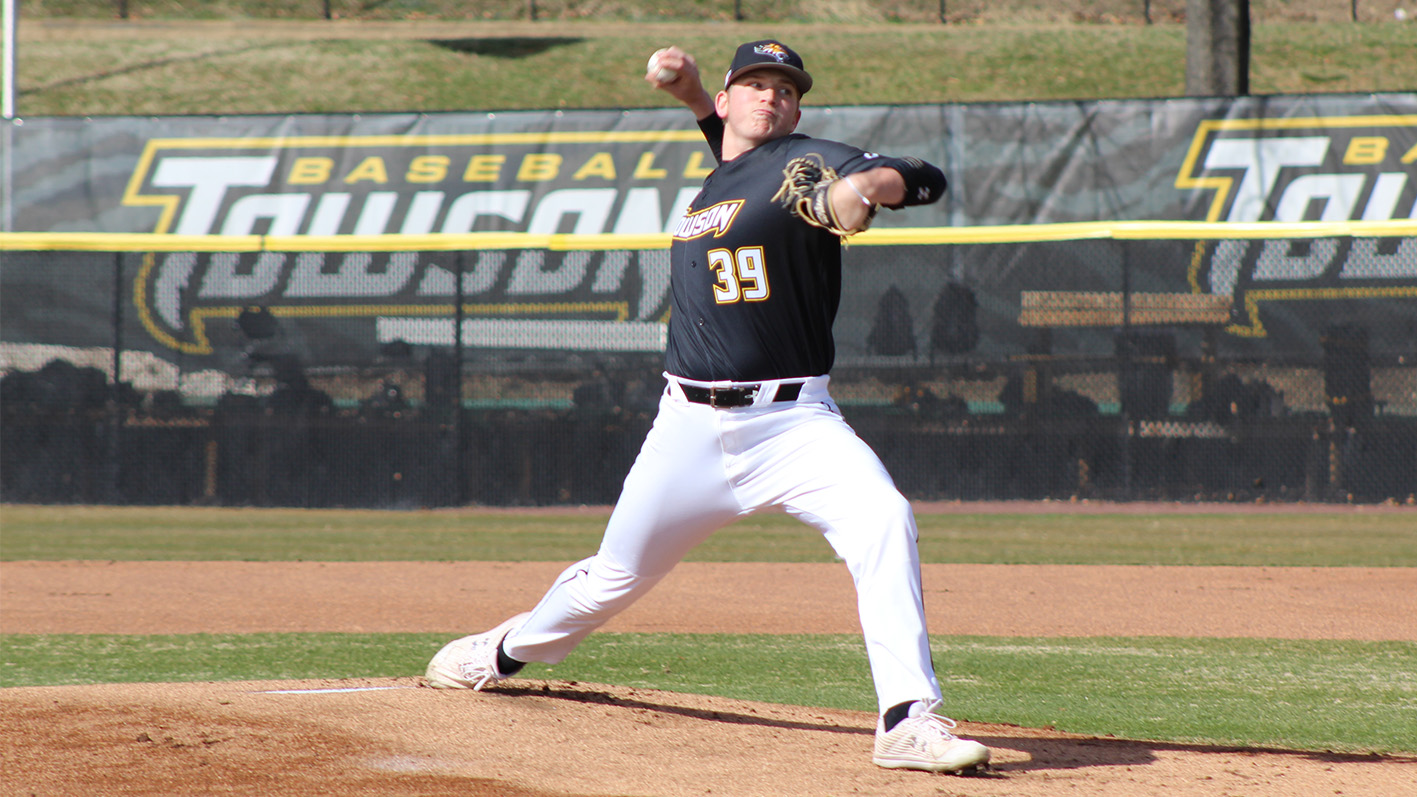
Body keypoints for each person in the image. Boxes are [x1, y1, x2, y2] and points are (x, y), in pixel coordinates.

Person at [426, 40, 991, 775]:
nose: (771, 97)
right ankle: (500, 651)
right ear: (727, 104)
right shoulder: (723, 174)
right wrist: (692, 93)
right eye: (754, 84)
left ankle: (906, 720)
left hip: (792, 424)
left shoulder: (810, 161)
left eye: (785, 89)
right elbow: (733, 159)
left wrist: (867, 188)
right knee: (611, 579)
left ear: (798, 109)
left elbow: (923, 177)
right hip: (687, 428)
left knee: (883, 517)